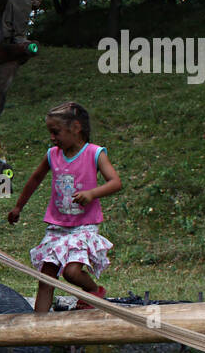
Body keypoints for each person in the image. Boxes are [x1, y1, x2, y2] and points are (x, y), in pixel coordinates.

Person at [7, 101, 122, 313]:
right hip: (57, 227)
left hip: (83, 226)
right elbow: (34, 179)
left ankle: (94, 291)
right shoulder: (53, 155)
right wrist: (18, 207)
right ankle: (38, 323)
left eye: (56, 132)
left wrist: (92, 193)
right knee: (46, 276)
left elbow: (115, 182)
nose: (52, 137)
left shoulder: (95, 153)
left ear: (76, 128)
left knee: (71, 272)